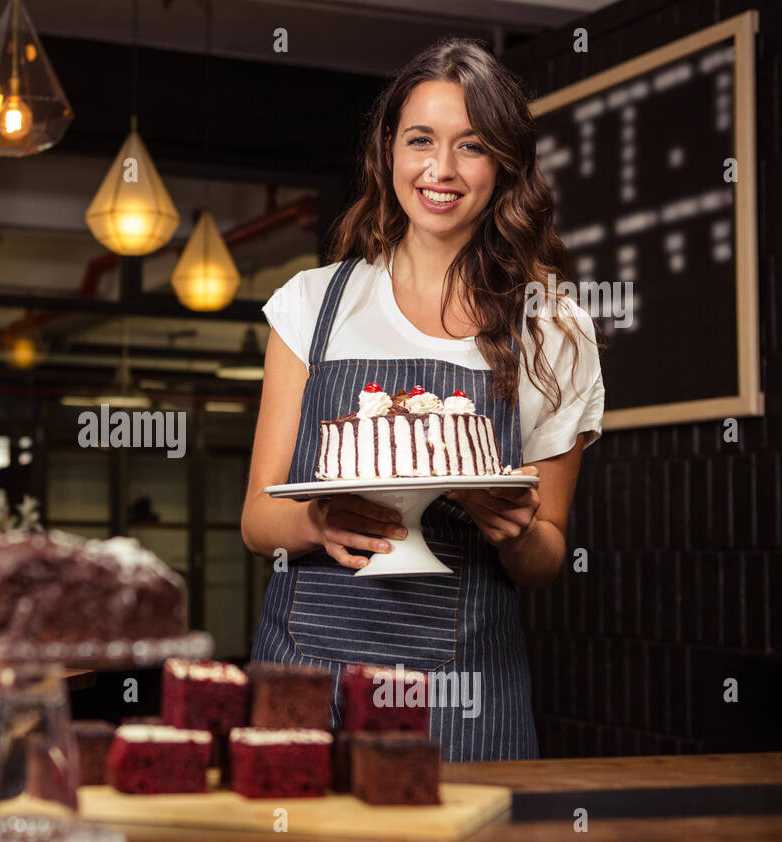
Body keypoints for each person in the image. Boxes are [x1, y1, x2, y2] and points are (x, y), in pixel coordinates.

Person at [240, 37, 604, 761]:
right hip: (304, 680)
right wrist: (317, 524)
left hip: (466, 697)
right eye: (420, 140)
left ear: (503, 164)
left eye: (471, 146)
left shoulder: (553, 325)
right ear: (388, 152)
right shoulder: (311, 305)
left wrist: (515, 529)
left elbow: (545, 558)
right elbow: (256, 520)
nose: (441, 170)